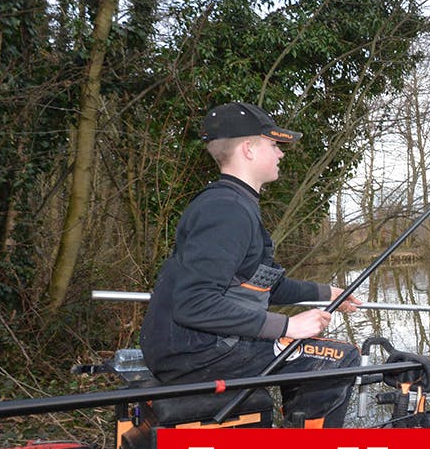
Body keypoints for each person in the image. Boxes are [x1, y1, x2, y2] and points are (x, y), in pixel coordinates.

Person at [140, 102, 363, 428]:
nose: (280, 154)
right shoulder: (226, 209)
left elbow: (264, 284)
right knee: (340, 359)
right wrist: (288, 327)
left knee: (323, 355)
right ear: (248, 149)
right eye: (274, 144)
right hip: (196, 353)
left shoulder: (233, 203)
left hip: (195, 346)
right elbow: (193, 303)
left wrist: (328, 292)